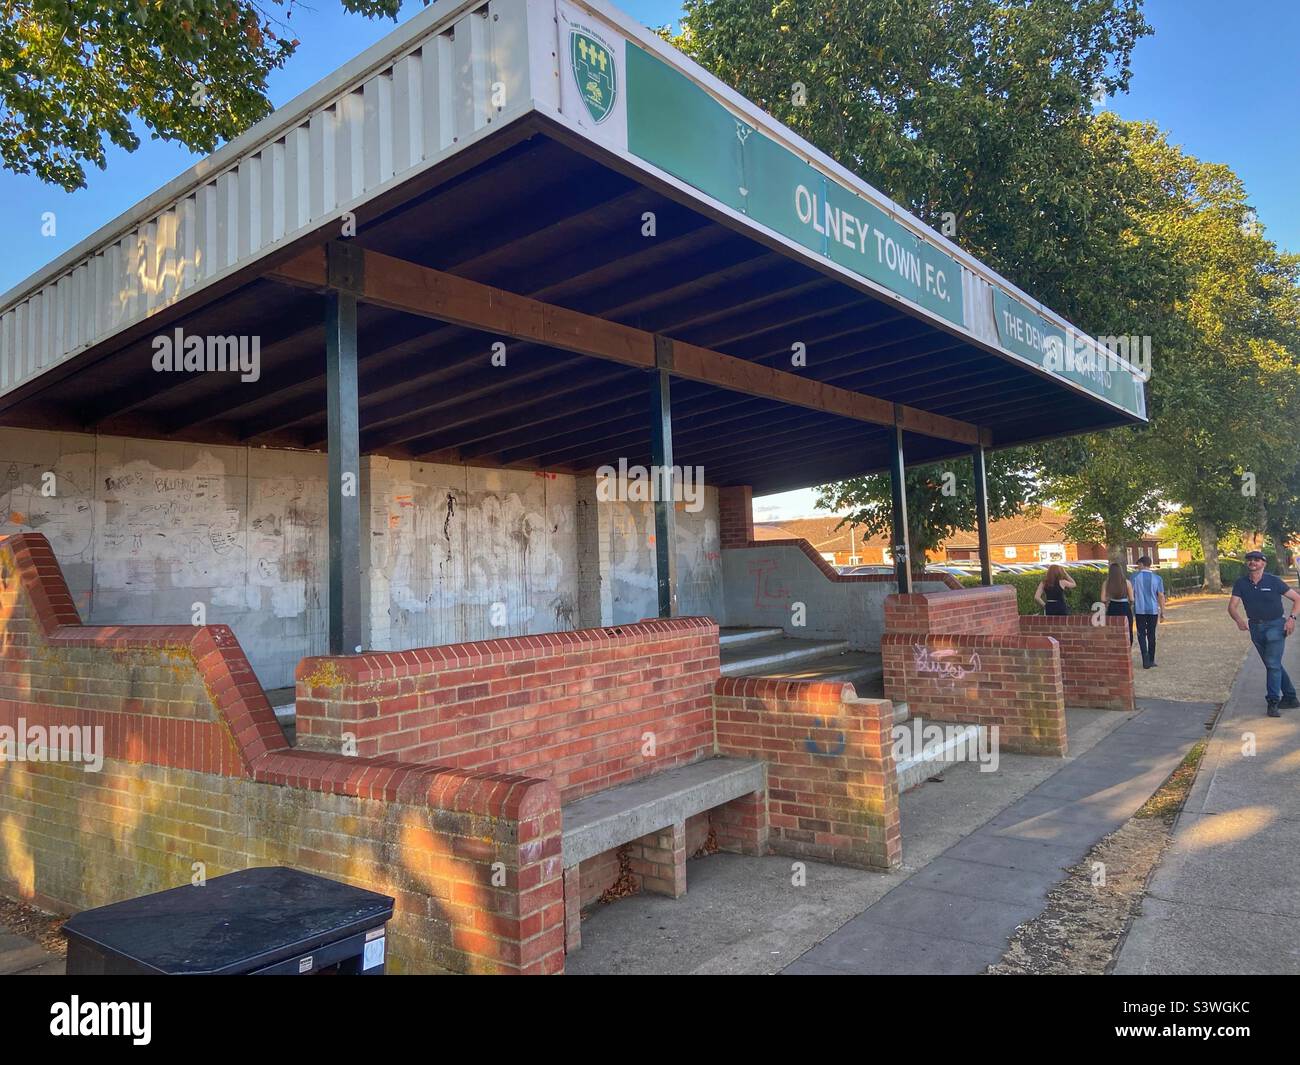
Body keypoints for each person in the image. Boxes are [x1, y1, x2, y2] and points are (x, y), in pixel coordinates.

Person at [1228, 549, 1300, 717]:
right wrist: (1239, 620)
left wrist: (1291, 619)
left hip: (1276, 626)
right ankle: (1290, 697)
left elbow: (1297, 598)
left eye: (1257, 560)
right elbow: (1232, 606)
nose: (1253, 562)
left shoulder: (1274, 581)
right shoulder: (1241, 583)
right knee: (1272, 663)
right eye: (1250, 560)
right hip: (1255, 628)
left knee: (1273, 664)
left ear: (1264, 563)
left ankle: (1273, 702)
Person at [1131, 556, 1166, 669]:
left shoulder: (1134, 577)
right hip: (1153, 610)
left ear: (1141, 564)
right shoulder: (1157, 578)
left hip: (1140, 609)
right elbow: (1160, 595)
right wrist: (1162, 612)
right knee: (1151, 634)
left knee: (1141, 634)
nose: (1137, 567)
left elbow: (1130, 593)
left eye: (1138, 565)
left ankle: (1145, 658)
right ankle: (1151, 659)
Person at [1101, 561, 1134, 646]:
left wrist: (1108, 600)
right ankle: (1127, 650)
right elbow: (1131, 598)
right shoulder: (1127, 582)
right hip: (1124, 606)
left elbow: (1103, 598)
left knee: (1113, 629)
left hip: (1112, 606)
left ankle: (1115, 648)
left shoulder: (1106, 583)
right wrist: (1129, 605)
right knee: (1127, 630)